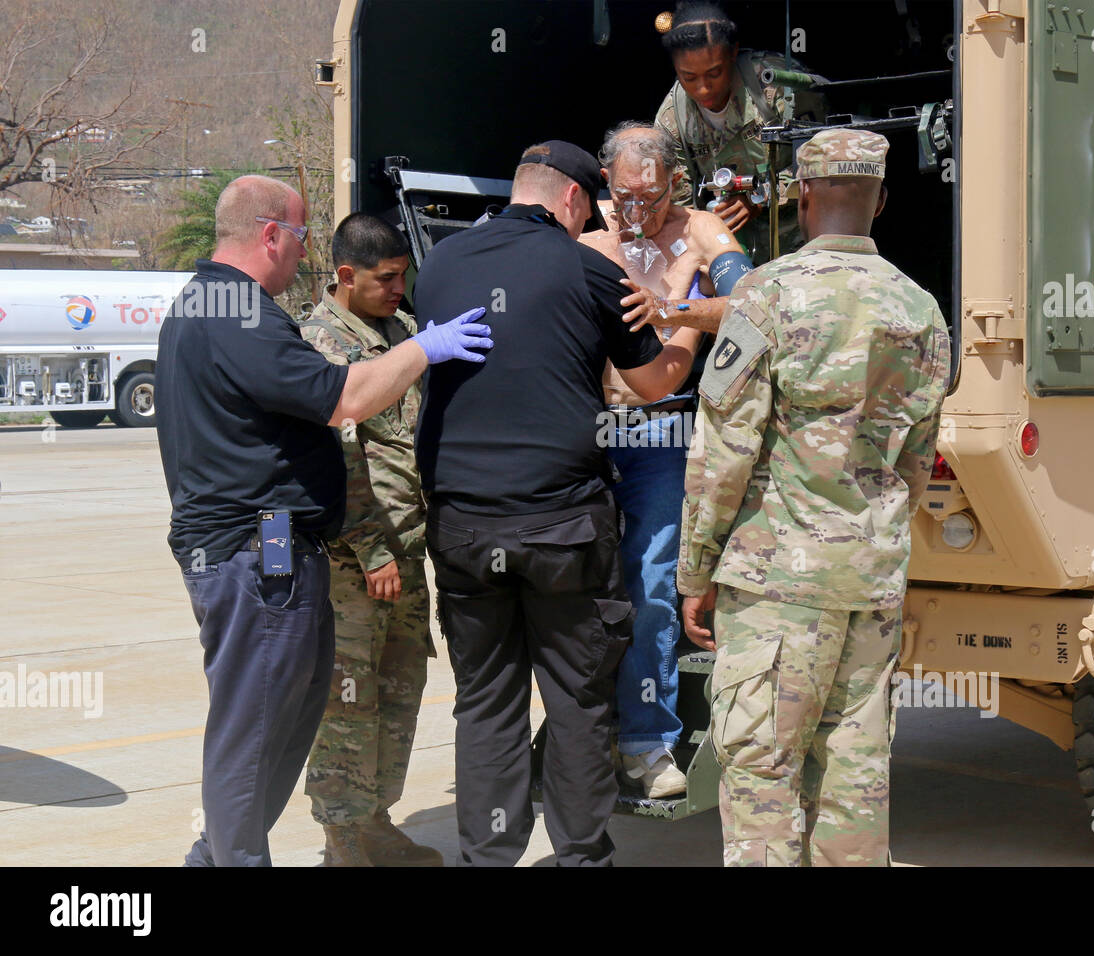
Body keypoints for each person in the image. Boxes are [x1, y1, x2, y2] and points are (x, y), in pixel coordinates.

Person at [155, 174, 493, 867]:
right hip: (259, 547)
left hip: (274, 543)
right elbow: (339, 398)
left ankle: (216, 855)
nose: (304, 255)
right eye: (303, 237)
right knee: (254, 726)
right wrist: (424, 350)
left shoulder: (217, 305)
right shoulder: (236, 310)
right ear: (272, 234)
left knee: (285, 715)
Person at [414, 140, 705, 865]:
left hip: (462, 526)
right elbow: (657, 384)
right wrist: (691, 312)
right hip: (562, 530)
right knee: (576, 703)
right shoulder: (589, 269)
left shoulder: (440, 265)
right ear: (575, 200)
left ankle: (488, 856)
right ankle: (581, 857)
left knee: (486, 703)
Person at [677, 129, 950, 866]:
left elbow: (724, 456)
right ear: (882, 201)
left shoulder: (766, 295)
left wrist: (694, 574)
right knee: (854, 782)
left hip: (776, 587)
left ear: (801, 197)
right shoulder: (920, 309)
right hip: (870, 579)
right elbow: (919, 464)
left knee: (763, 775)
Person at [578, 121, 752, 798]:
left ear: (674, 183)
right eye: (624, 196)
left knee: (651, 584)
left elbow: (751, 301)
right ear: (606, 185)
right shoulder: (591, 237)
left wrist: (678, 298)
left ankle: (648, 745)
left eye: (650, 198)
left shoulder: (702, 232)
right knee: (584, 589)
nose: (637, 211)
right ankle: (583, 738)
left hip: (661, 433)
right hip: (592, 430)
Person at [298, 213, 443, 867]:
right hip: (354, 563)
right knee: (348, 701)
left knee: (399, 693)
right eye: (386, 279)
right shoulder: (318, 344)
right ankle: (342, 839)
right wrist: (373, 549)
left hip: (408, 551)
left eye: (403, 277)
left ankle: (377, 819)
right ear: (347, 276)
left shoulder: (404, 333)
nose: (397, 289)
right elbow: (334, 461)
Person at [653, 0, 824, 266]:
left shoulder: (778, 87)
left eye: (714, 73)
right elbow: (679, 207)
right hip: (731, 254)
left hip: (802, 244)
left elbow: (823, 160)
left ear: (733, 52)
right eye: (689, 77)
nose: (703, 89)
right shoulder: (673, 118)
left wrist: (762, 196)